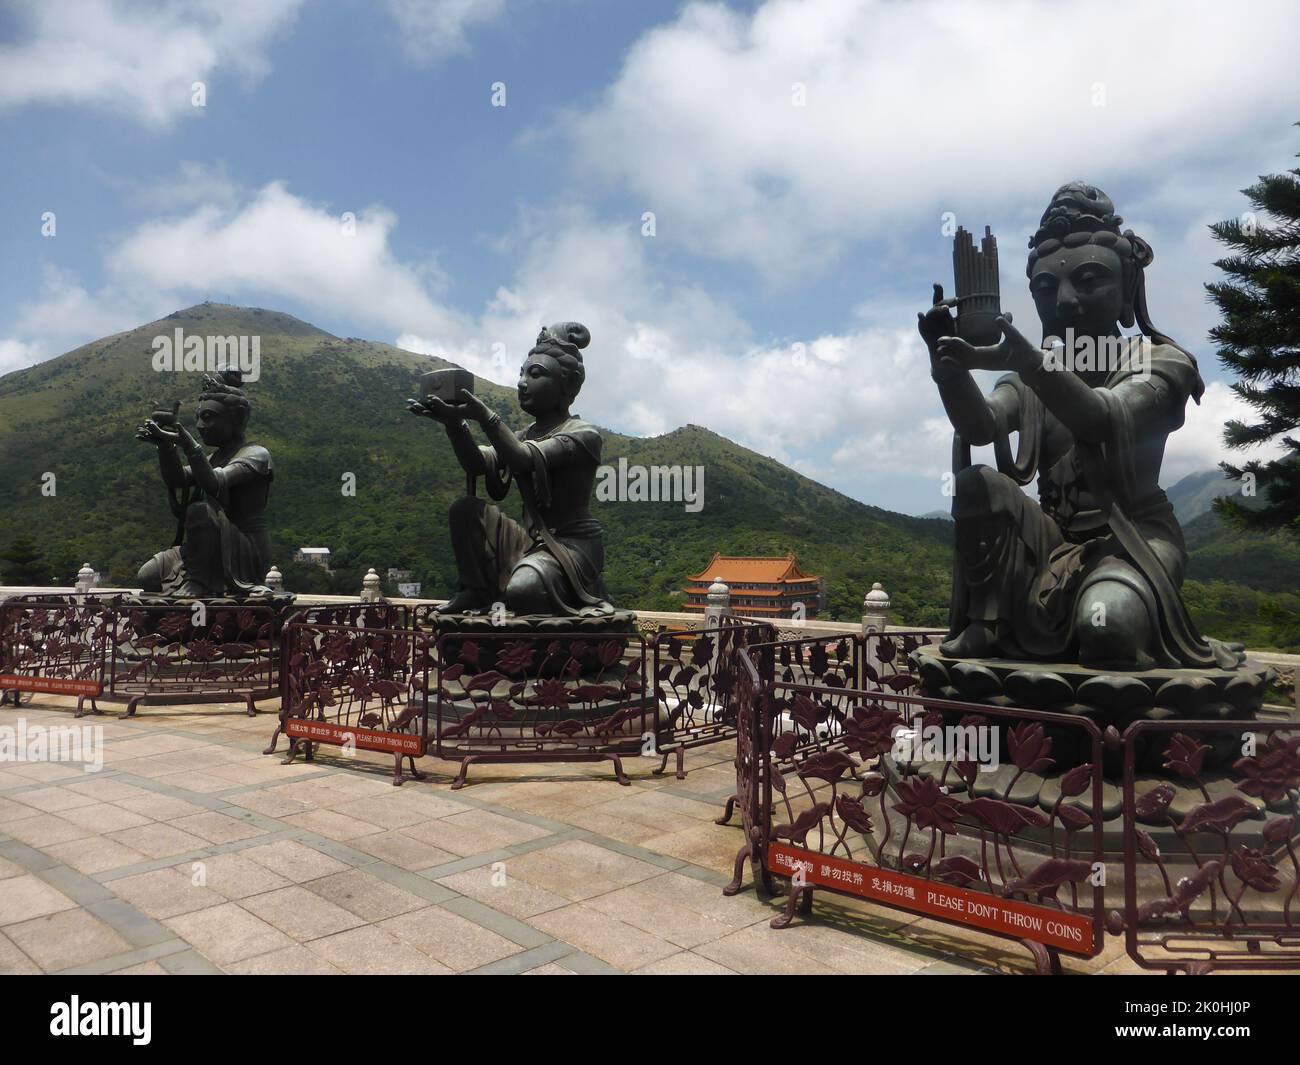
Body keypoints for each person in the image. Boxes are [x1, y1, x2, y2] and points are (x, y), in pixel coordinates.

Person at [918, 182, 1239, 670]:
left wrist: (1030, 364)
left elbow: (1103, 417)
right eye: (1047, 289)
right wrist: (948, 369)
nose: (1065, 300)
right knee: (977, 482)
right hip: (1052, 537)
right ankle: (986, 623)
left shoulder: (1158, 361)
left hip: (1131, 538)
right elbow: (981, 427)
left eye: (1089, 280)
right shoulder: (1034, 373)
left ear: (1128, 286)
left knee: (1104, 627)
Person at [407, 322, 616, 617]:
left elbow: (521, 459)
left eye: (535, 374)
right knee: (464, 509)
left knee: (524, 590)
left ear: (566, 386)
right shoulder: (522, 435)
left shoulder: (583, 435)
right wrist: (455, 425)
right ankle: (473, 590)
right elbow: (477, 464)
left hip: (571, 548)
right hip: (530, 544)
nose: (521, 382)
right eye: (521, 373)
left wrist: (484, 415)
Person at [135, 370, 273, 598]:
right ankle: (197, 579)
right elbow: (177, 479)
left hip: (242, 549)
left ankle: (199, 581)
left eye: (208, 417)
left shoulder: (256, 455)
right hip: (204, 545)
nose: (199, 425)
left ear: (237, 417)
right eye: (198, 417)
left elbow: (215, 483)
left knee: (199, 510)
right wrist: (165, 445)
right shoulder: (211, 459)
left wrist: (189, 446)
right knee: (147, 576)